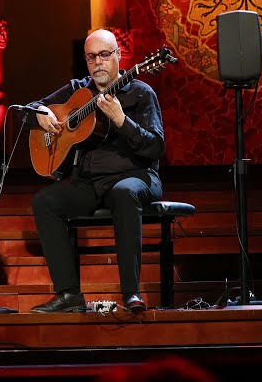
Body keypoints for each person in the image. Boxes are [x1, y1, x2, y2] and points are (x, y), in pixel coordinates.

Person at [28, 29, 165, 314]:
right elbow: (26, 109)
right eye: (92, 58)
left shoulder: (141, 93)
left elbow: (155, 149)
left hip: (135, 176)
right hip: (89, 182)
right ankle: (69, 295)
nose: (98, 63)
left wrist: (122, 121)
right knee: (45, 202)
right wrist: (40, 114)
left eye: (104, 55)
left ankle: (131, 294)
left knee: (124, 193)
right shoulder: (79, 90)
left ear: (118, 56)